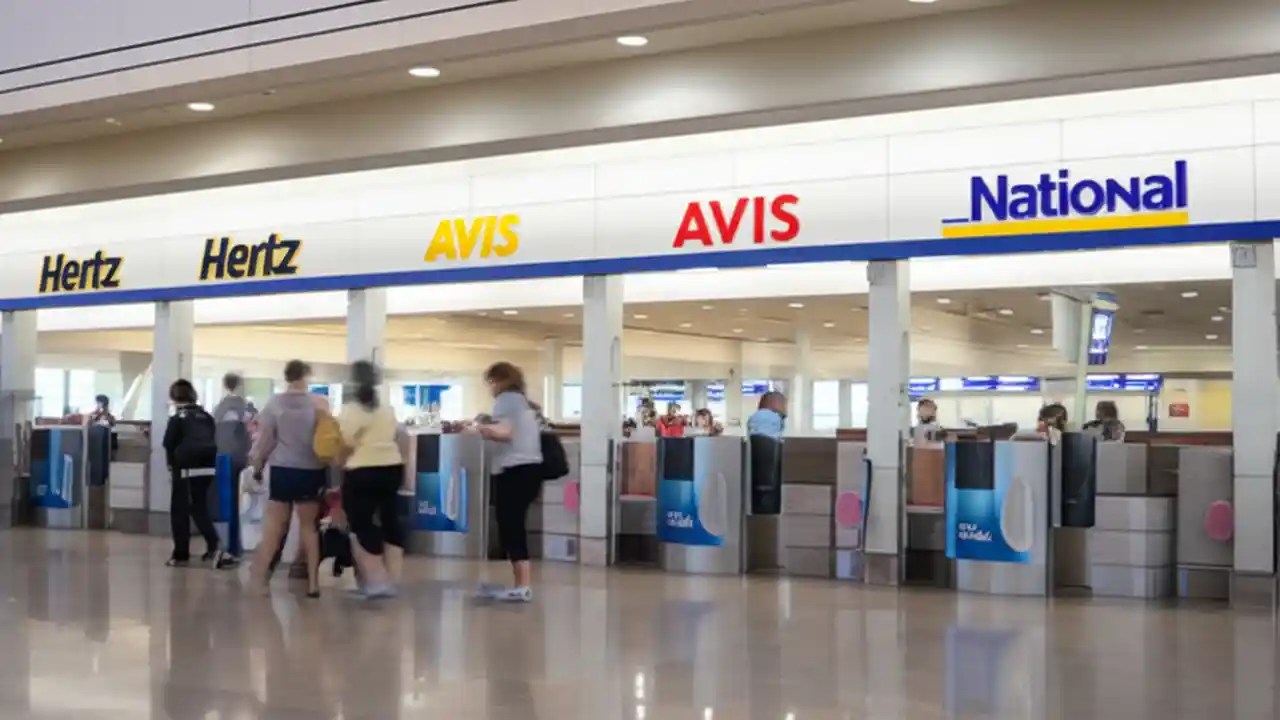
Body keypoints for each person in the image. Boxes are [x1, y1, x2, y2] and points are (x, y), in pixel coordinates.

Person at [248, 361, 328, 598]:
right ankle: (313, 584)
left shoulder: (274, 404)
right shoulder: (319, 404)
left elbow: (265, 441)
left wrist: (258, 465)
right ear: (306, 376)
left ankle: (261, 582)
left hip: (283, 469)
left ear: (286, 377)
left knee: (274, 528)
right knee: (309, 529)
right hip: (311, 470)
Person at [474, 361, 543, 603]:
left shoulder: (508, 400)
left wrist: (479, 427)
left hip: (515, 470)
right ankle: (520, 584)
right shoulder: (523, 402)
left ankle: (522, 585)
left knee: (511, 525)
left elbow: (504, 432)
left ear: (500, 380)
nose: (490, 388)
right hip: (529, 470)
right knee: (513, 525)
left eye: (491, 382)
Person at [338, 361, 406, 600]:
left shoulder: (352, 410)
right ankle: (393, 580)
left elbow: (345, 443)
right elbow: (397, 436)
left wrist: (340, 466)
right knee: (390, 520)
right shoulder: (387, 409)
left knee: (361, 523)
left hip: (362, 469)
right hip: (392, 467)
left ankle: (377, 580)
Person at [162, 379, 235, 569]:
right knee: (199, 508)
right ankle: (213, 548)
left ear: (174, 397)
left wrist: (171, 466)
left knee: (180, 511)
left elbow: (168, 443)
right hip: (208, 467)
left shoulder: (178, 417)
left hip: (186, 468)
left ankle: (181, 554)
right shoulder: (206, 416)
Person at [212, 373, 252, 559]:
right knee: (234, 503)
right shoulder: (244, 408)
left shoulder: (219, 408)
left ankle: (227, 544)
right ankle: (233, 545)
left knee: (225, 502)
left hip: (222, 457)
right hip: (238, 458)